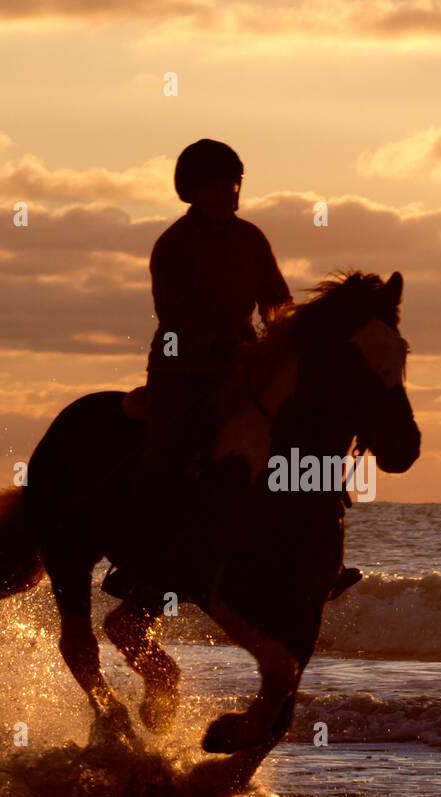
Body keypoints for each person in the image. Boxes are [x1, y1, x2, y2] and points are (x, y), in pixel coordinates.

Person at [104, 139, 360, 609]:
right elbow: (175, 316)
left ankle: (325, 562)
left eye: (232, 186)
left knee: (303, 434)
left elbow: (277, 303)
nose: (226, 195)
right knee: (166, 452)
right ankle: (137, 566)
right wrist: (224, 346)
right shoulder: (172, 245)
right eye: (215, 188)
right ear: (192, 192)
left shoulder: (252, 238)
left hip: (244, 363)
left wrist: (283, 341)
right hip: (183, 369)